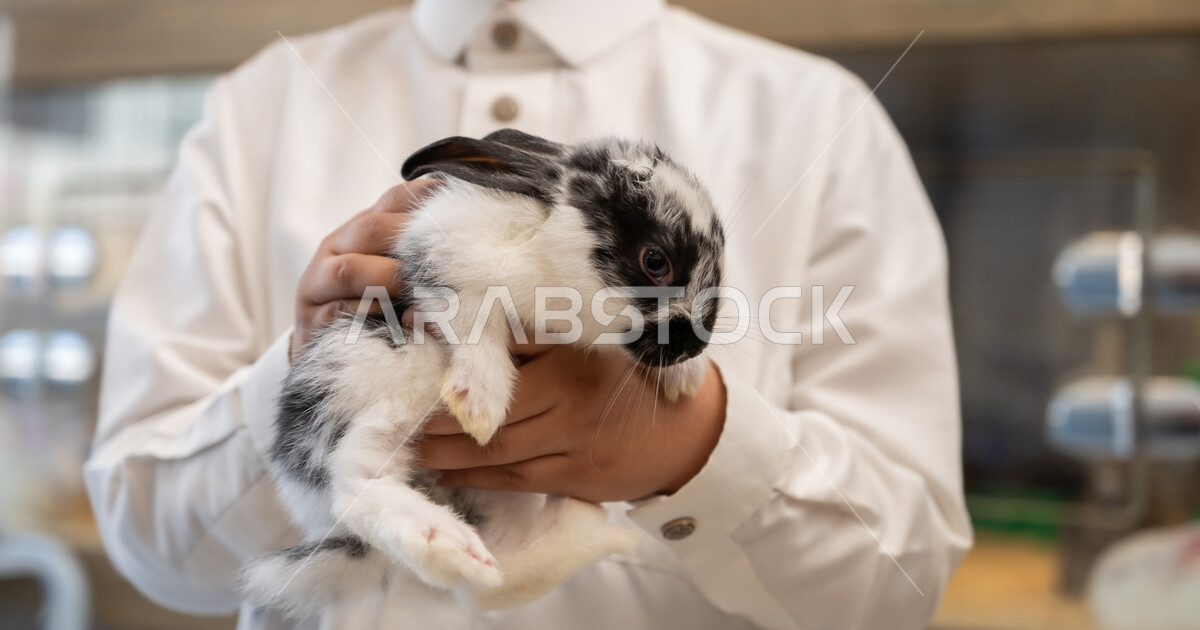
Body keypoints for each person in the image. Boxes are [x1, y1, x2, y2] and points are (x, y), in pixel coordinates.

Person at [84, 0, 973, 628]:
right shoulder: (262, 105)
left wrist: (692, 449)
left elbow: (903, 581)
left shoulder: (817, 117)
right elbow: (149, 535)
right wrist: (306, 376)